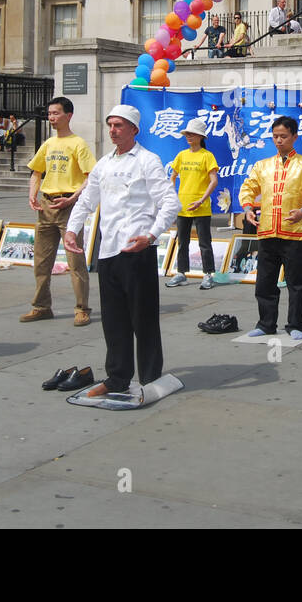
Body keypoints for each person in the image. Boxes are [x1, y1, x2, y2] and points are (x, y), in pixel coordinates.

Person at [63, 104, 177, 395]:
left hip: (137, 249)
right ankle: (117, 377)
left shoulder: (148, 161)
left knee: (144, 317)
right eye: (110, 125)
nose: (113, 130)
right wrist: (72, 229)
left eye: (119, 126)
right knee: (114, 319)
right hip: (109, 250)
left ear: (134, 130)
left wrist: (150, 236)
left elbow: (170, 203)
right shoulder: (103, 164)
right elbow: (87, 200)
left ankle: (150, 377)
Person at [239, 116, 302, 340]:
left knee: (296, 283)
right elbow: (248, 186)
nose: (279, 140)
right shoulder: (263, 166)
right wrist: (248, 207)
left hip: (294, 233)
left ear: (294, 137)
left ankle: (296, 324)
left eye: (284, 136)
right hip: (268, 230)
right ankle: (266, 323)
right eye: (275, 136)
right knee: (265, 281)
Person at [25, 96, 96, 325]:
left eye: (56, 113)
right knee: (41, 261)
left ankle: (82, 308)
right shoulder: (48, 144)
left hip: (68, 208)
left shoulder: (78, 144)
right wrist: (32, 194)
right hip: (46, 206)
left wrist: (73, 198)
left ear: (68, 115)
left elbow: (90, 177)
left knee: (75, 261)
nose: (51, 118)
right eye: (49, 114)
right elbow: (36, 172)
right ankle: (41, 306)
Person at [165, 118, 220, 290]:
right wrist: (173, 197)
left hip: (201, 207)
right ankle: (181, 273)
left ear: (201, 137)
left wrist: (202, 200)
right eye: (187, 133)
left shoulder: (207, 156)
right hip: (183, 206)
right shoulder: (182, 155)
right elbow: (172, 176)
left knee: (204, 242)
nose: (189, 136)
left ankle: (208, 274)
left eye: (192, 134)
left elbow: (214, 181)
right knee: (183, 241)